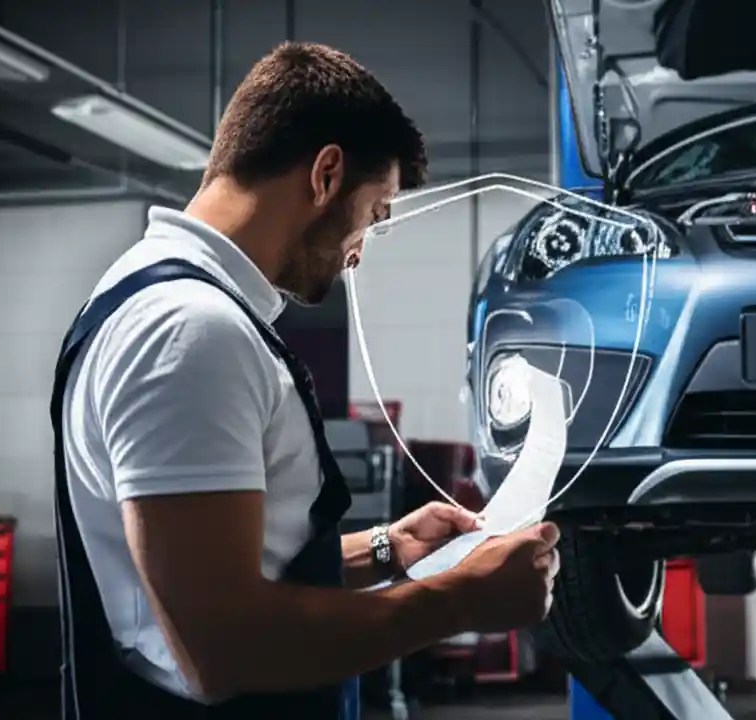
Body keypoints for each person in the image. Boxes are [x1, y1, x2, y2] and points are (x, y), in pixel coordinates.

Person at [50, 42, 560, 719]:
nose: (360, 252)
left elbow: (219, 567)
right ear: (325, 174)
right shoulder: (190, 332)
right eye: (375, 214)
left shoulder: (159, 301)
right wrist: (460, 600)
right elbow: (221, 647)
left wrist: (386, 551)